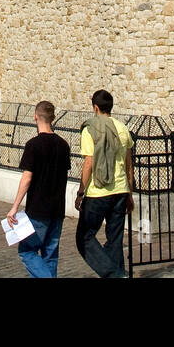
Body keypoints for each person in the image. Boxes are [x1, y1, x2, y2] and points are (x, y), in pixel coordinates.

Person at [6, 100, 71, 278]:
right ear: (53, 118)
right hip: (57, 209)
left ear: (35, 117)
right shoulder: (63, 145)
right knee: (50, 256)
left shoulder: (33, 145)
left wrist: (14, 207)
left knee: (27, 251)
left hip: (38, 209)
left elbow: (27, 178)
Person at [74, 89, 134, 278]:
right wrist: (130, 194)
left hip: (98, 192)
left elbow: (89, 163)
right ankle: (118, 273)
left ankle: (115, 275)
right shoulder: (122, 129)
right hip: (120, 190)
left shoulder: (90, 129)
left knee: (84, 237)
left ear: (95, 107)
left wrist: (81, 192)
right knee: (115, 239)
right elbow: (129, 165)